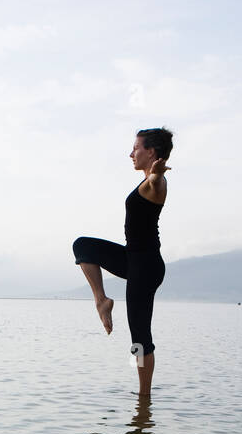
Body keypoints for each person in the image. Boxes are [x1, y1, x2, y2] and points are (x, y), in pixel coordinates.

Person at [72, 126, 173, 397]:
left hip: (146, 266)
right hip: (133, 259)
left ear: (150, 151)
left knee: (139, 338)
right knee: (83, 246)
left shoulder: (156, 183)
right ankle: (101, 300)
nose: (131, 153)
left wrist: (157, 173)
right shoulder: (146, 181)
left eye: (136, 148)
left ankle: (143, 397)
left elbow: (155, 182)